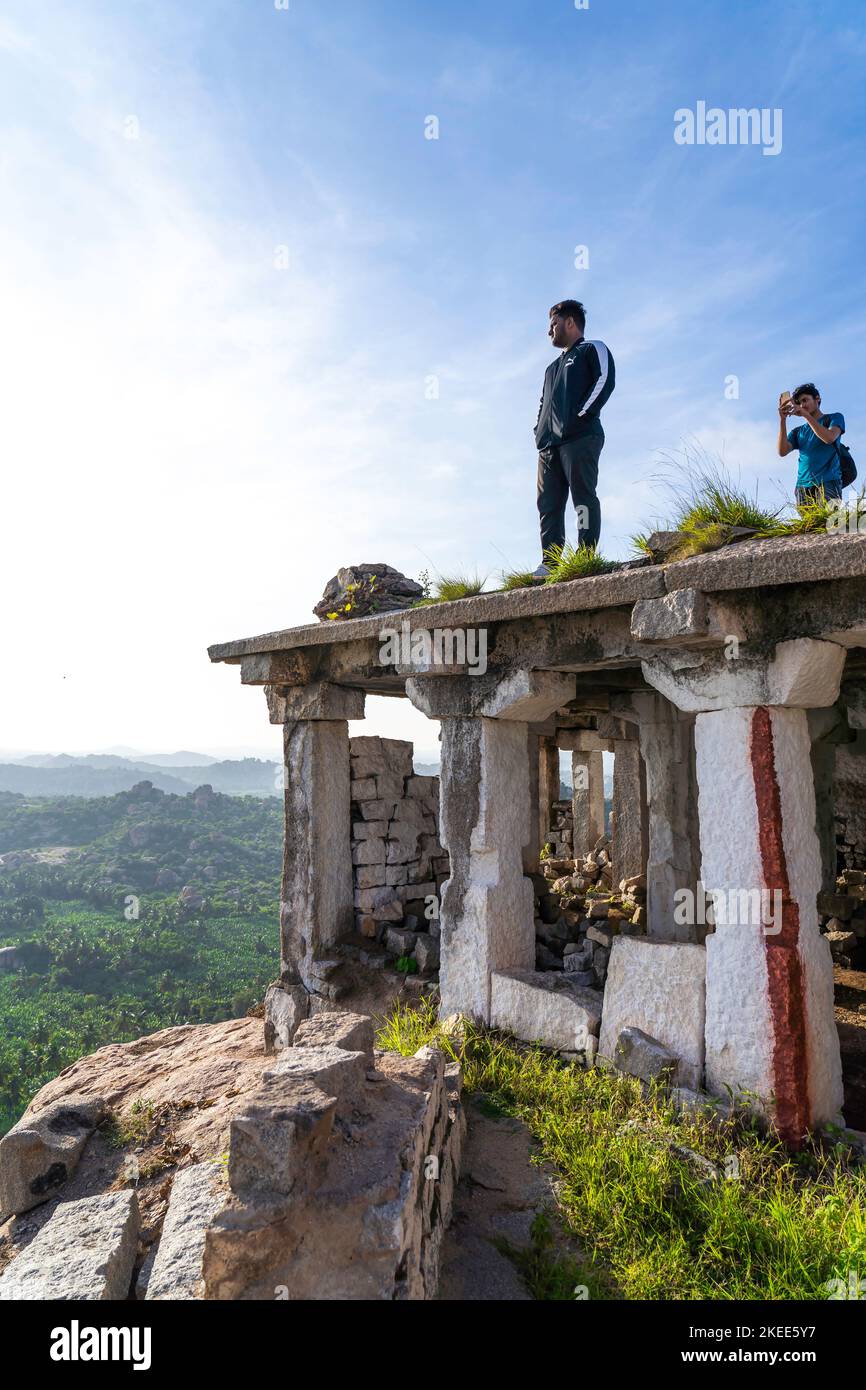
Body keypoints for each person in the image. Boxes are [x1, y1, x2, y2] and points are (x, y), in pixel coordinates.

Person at [533, 300, 615, 578]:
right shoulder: (550, 369)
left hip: (581, 437)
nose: (549, 331)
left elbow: (605, 380)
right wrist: (539, 430)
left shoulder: (592, 349)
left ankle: (585, 555)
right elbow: (544, 402)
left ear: (570, 322)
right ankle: (550, 562)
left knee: (583, 497)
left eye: (553, 324)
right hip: (548, 446)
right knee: (548, 504)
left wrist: (581, 415)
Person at [777, 383, 845, 504]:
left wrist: (806, 415)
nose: (802, 405)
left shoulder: (834, 418)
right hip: (802, 486)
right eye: (799, 402)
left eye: (805, 400)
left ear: (817, 399)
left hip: (828, 481)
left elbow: (829, 438)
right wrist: (782, 420)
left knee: (829, 521)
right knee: (810, 523)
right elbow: (782, 451)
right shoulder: (798, 431)